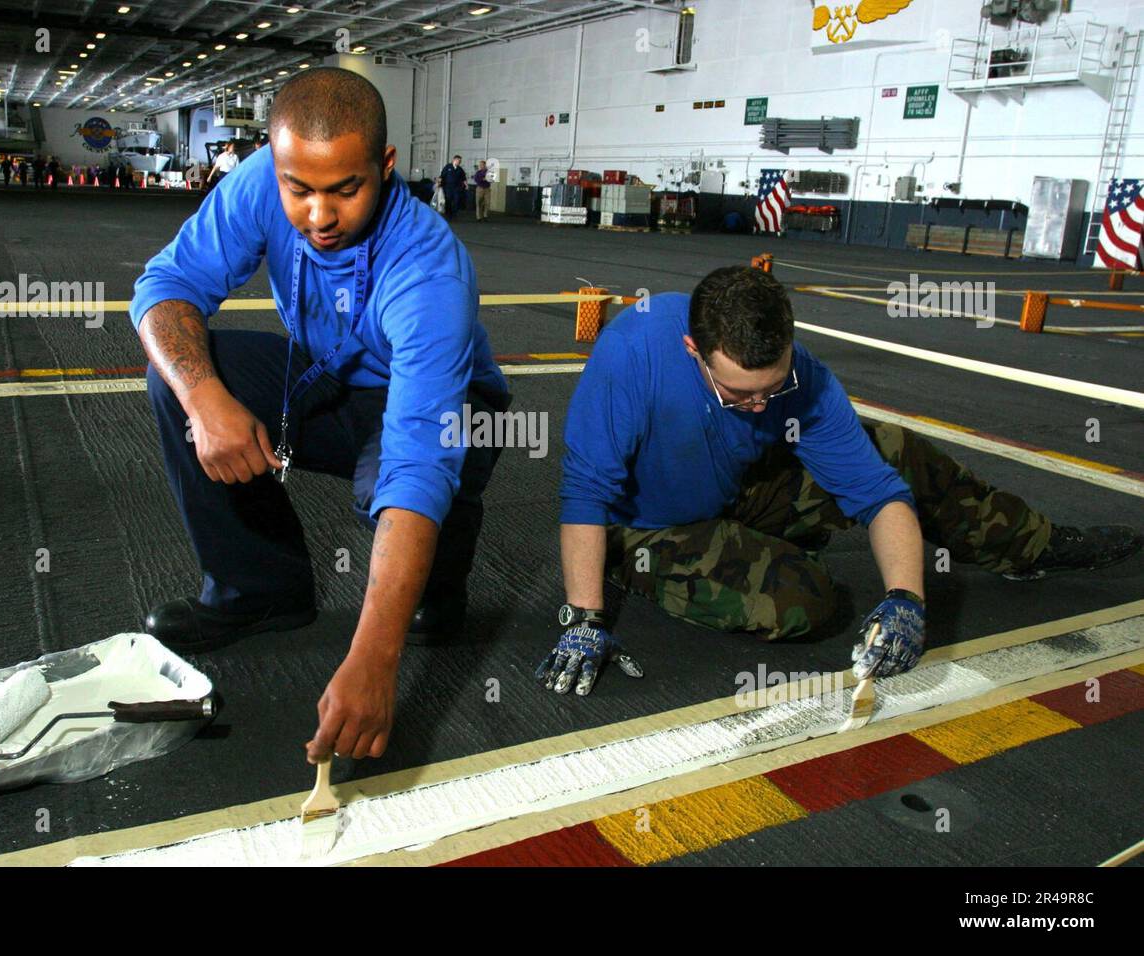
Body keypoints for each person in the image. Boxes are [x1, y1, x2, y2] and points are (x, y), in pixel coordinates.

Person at [130, 67, 510, 763]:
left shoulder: (429, 271)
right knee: (180, 373)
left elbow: (417, 459)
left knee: (397, 482)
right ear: (275, 164)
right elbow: (166, 286)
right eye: (298, 189)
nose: (318, 217)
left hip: (445, 408)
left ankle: (439, 583)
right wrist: (207, 400)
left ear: (386, 166)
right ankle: (262, 588)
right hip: (332, 376)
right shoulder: (259, 181)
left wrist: (375, 661)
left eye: (346, 190)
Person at [542, 266, 1142, 696]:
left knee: (894, 449)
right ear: (692, 349)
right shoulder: (632, 352)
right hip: (649, 526)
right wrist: (585, 621)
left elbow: (880, 491)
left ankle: (1030, 546)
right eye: (738, 392)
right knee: (803, 603)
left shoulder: (804, 377)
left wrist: (906, 600)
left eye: (770, 390)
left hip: (737, 487)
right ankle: (640, 569)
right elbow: (585, 494)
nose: (758, 405)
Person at [438, 154, 466, 221]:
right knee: (448, 200)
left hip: (456, 188)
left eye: (460, 161)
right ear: (454, 160)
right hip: (448, 187)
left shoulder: (460, 169)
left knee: (456, 200)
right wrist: (438, 183)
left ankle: (454, 214)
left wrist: (466, 185)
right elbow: (442, 176)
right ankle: (448, 214)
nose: (459, 162)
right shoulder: (448, 167)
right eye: (458, 161)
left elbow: (463, 178)